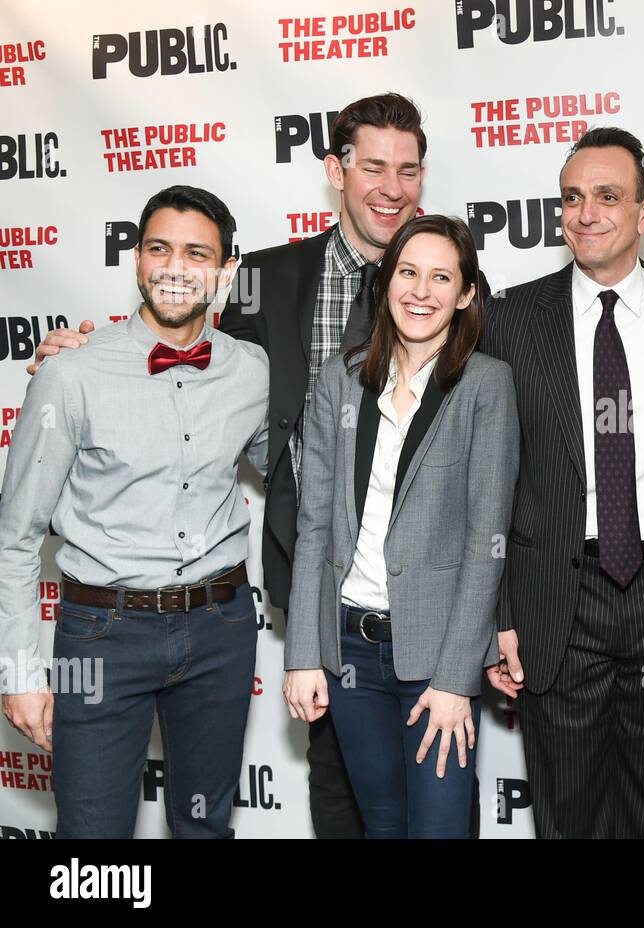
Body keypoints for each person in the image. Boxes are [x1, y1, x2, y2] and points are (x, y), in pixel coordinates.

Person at [27, 93, 491, 838]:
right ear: (336, 171)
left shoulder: (452, 287)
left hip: (431, 604)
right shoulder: (264, 280)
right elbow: (188, 358)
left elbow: (485, 459)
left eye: (408, 170)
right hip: (314, 593)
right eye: (372, 166)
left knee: (438, 803)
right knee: (341, 792)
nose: (391, 187)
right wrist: (80, 353)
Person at [479, 127, 644, 837]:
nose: (586, 213)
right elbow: (490, 481)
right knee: (568, 814)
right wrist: (500, 614)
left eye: (608, 197)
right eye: (572, 198)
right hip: (560, 596)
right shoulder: (510, 319)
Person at [0, 185, 269, 838]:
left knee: (206, 829)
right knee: (93, 839)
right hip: (101, 633)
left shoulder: (251, 370)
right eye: (159, 248)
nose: (176, 267)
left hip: (221, 629)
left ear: (226, 270)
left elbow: (292, 473)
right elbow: (15, 536)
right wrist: (18, 672)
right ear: (139, 260)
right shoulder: (72, 375)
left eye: (196, 253)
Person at [282, 215, 518, 838]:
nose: (421, 291)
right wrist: (304, 653)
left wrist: (454, 681)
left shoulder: (486, 386)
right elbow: (313, 529)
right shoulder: (341, 377)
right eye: (408, 272)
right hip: (351, 654)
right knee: (381, 826)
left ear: (466, 293)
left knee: (438, 830)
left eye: (442, 277)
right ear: (387, 281)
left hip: (434, 659)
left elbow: (485, 544)